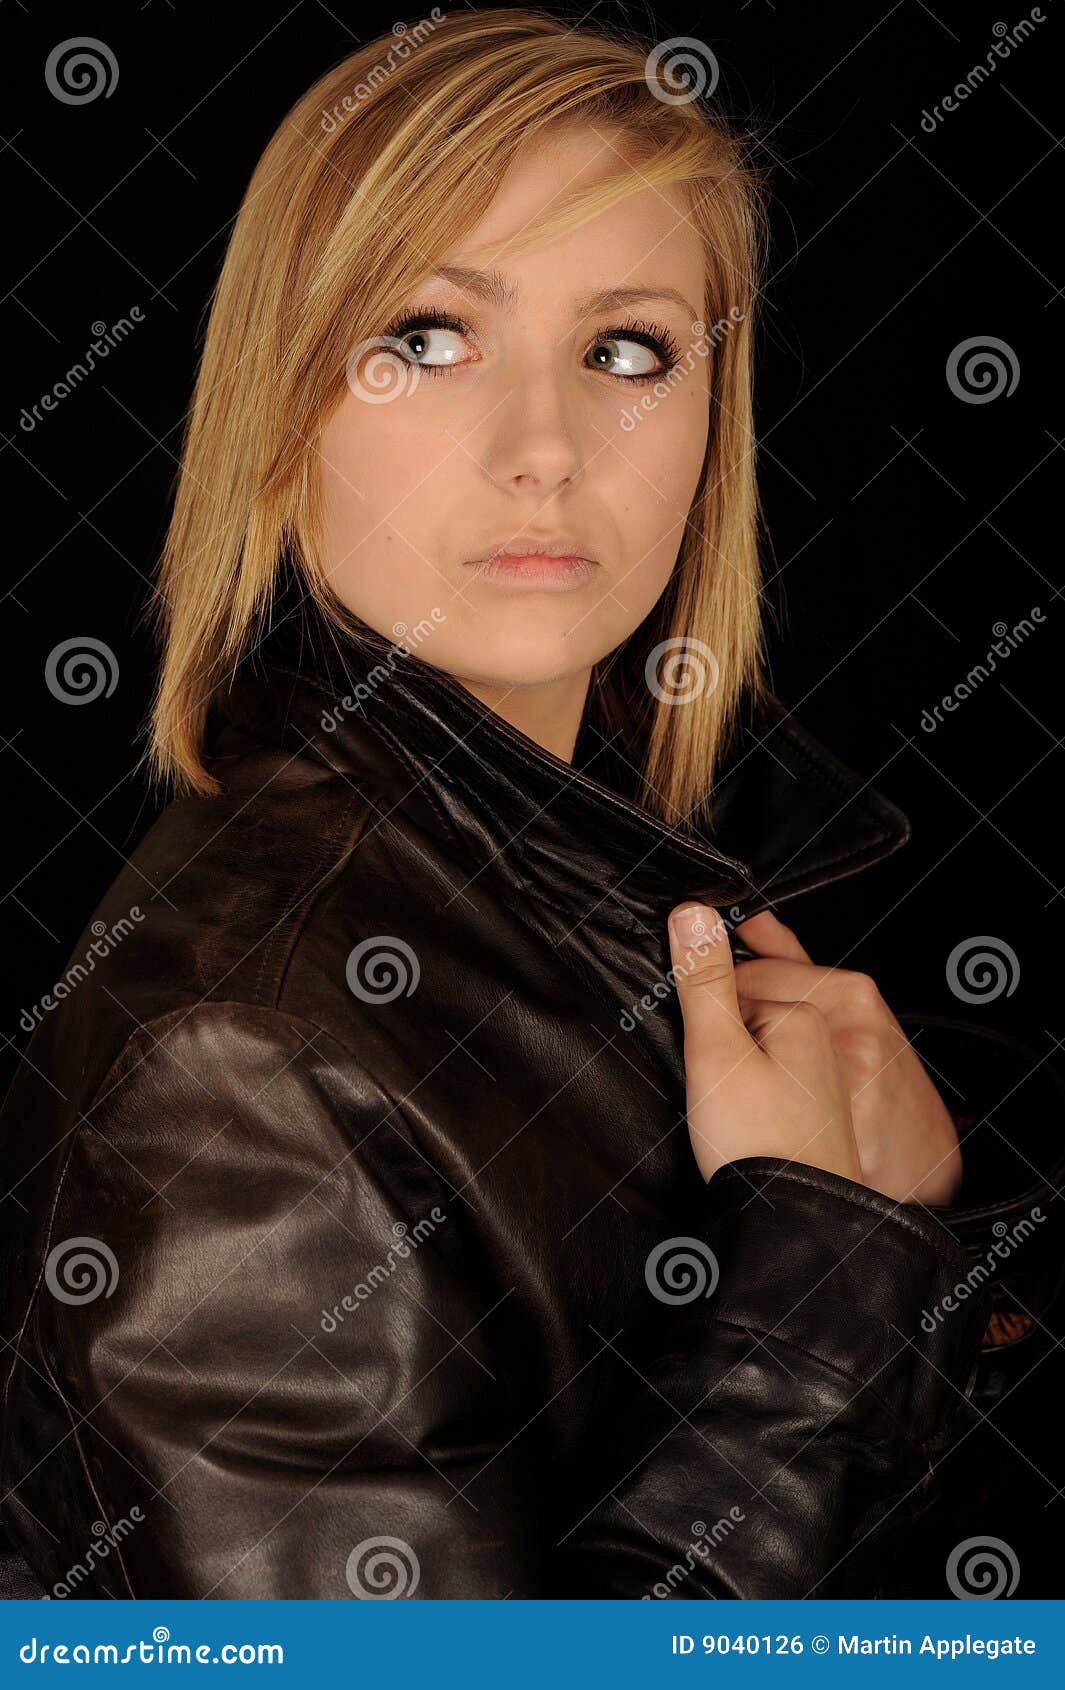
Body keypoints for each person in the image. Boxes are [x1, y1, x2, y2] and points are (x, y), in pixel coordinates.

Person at [0, 8, 998, 1599]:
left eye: (625, 350)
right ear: (284, 401)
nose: (542, 449)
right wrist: (828, 1265)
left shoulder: (673, 883)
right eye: (422, 337)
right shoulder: (239, 1056)